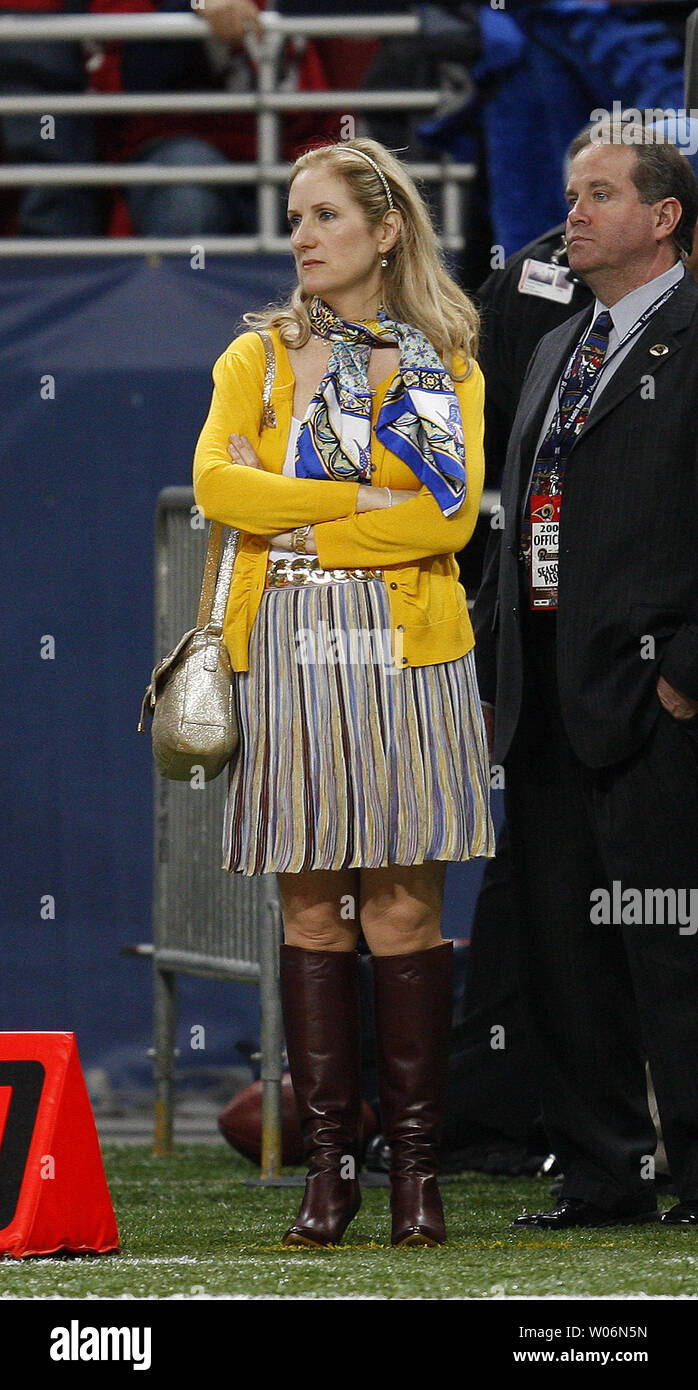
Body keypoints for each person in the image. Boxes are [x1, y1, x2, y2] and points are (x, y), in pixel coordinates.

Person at [193, 137, 493, 1248]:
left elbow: (445, 521)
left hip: (405, 651)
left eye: (322, 216)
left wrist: (302, 511)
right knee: (312, 906)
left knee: (403, 907)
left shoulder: (439, 358)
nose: (301, 239)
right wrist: (349, 499)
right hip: (284, 643)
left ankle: (414, 1170)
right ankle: (329, 1169)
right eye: (292, 217)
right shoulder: (257, 357)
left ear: (383, 231)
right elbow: (217, 485)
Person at [473, 125, 698, 1229]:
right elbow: (514, 521)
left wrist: (687, 675)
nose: (573, 213)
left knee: (672, 942)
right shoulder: (560, 344)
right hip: (547, 693)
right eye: (569, 194)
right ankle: (603, 1169)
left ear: (661, 219)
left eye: (599, 194)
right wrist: (494, 670)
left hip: (656, 696)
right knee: (560, 948)